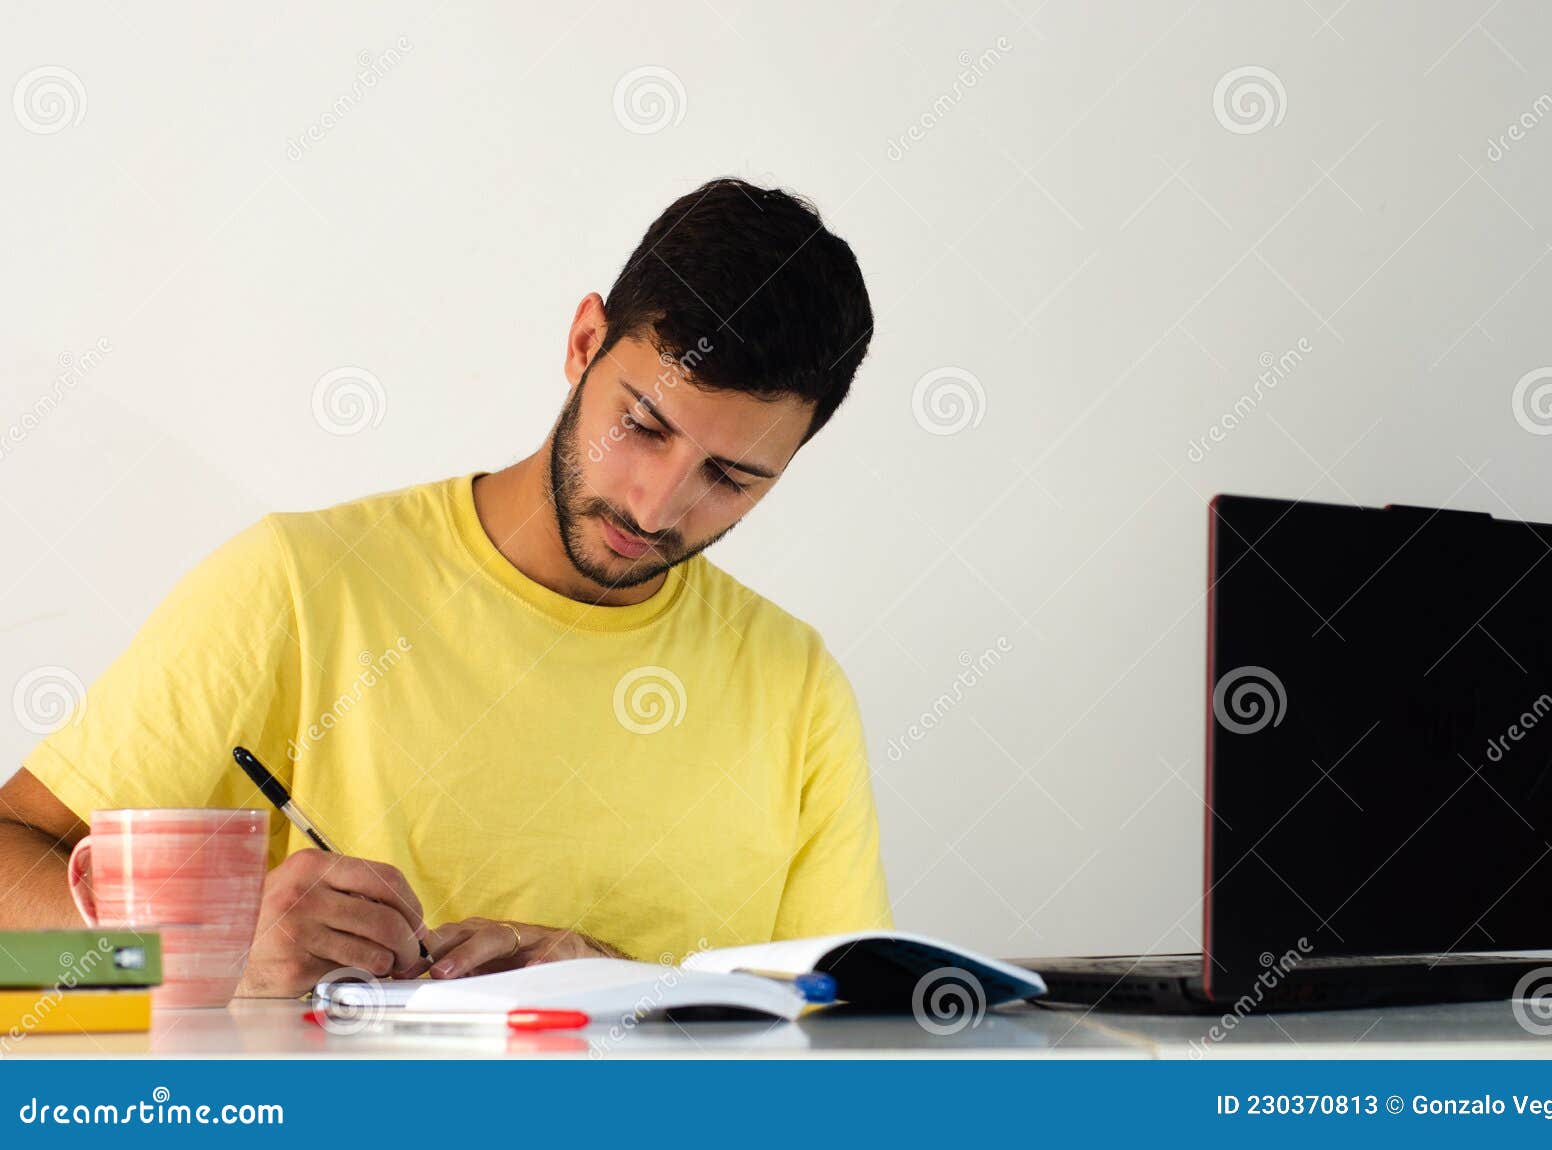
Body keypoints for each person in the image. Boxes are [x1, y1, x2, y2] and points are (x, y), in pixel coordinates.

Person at [0, 176, 891, 996]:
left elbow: (845, 1025)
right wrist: (212, 948)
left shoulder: (796, 686)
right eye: (642, 424)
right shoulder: (303, 587)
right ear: (584, 343)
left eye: (729, 478)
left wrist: (626, 988)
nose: (656, 506)